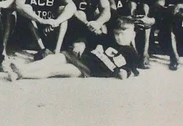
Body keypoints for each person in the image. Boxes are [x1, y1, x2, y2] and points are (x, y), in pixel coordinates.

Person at [7, 17, 141, 81]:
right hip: (78, 56)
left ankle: (22, 74)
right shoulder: (108, 39)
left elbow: (133, 69)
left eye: (123, 34)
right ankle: (23, 69)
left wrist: (125, 73)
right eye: (117, 33)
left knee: (55, 70)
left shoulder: (132, 53)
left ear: (133, 35)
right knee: (51, 59)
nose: (119, 37)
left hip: (87, 69)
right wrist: (82, 43)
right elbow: (88, 38)